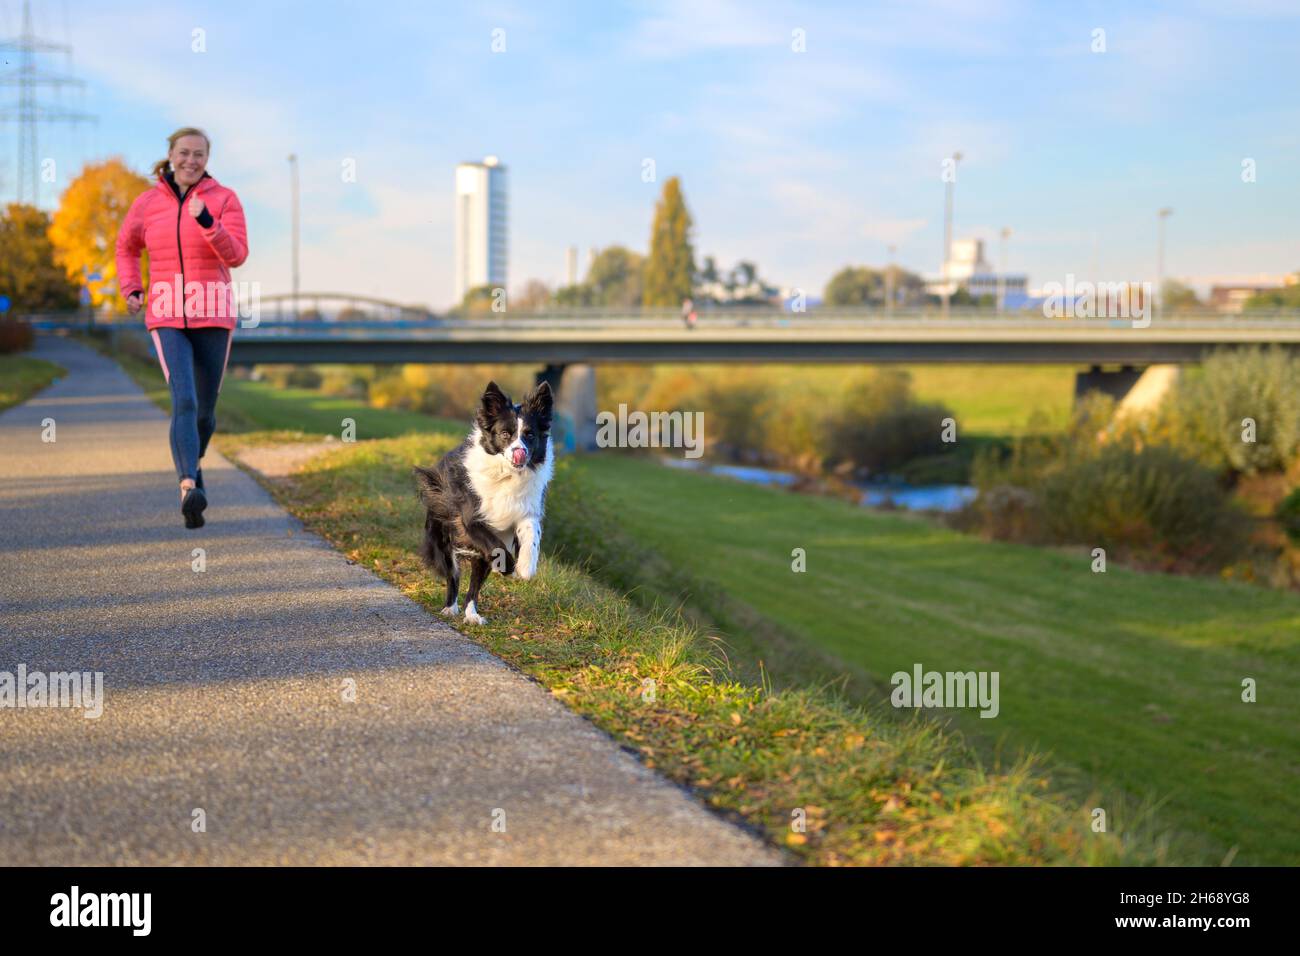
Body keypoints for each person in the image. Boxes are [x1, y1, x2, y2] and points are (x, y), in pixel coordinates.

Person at [115, 127, 248, 528]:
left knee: (205, 414)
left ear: (208, 159)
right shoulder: (146, 203)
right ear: (171, 154)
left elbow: (237, 255)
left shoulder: (224, 199)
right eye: (184, 153)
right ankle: (188, 485)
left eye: (200, 155)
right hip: (166, 313)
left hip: (213, 313)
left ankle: (195, 467)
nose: (191, 161)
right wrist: (131, 287)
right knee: (184, 401)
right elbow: (126, 247)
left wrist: (208, 222)